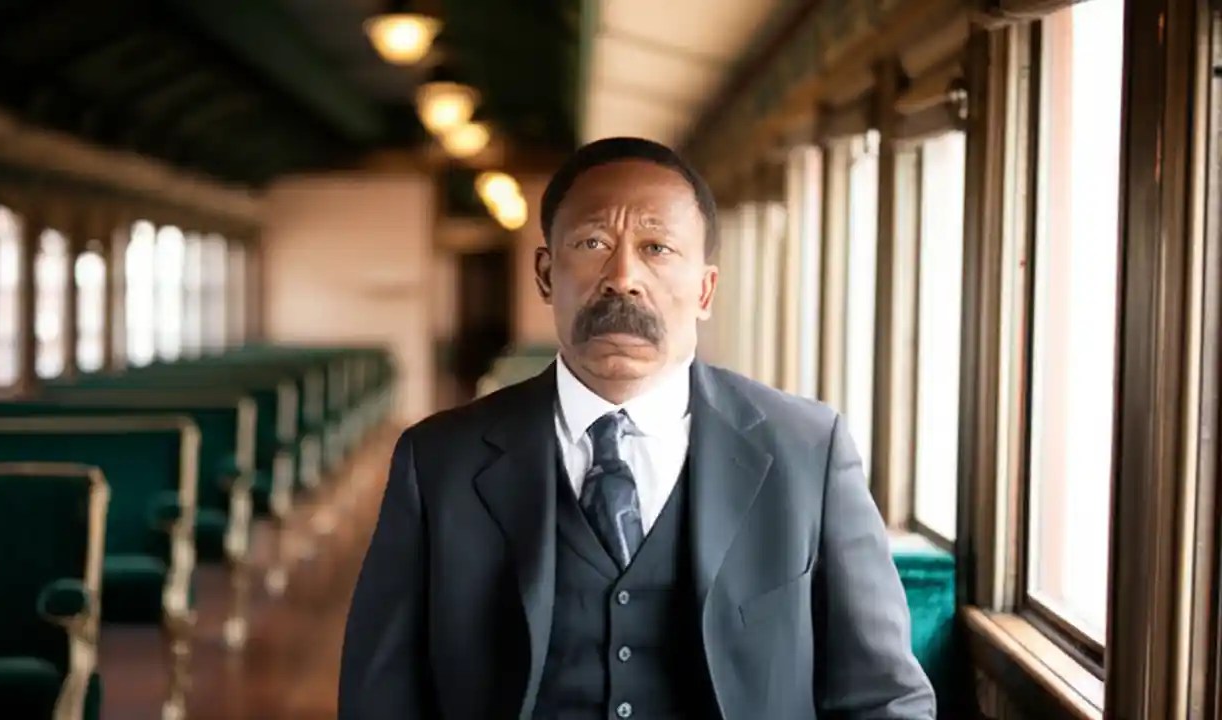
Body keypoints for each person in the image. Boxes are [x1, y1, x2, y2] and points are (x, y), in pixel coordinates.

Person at [338, 137, 936, 719]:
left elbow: (883, 695)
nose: (622, 275)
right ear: (546, 274)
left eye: (657, 248)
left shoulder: (808, 450)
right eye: (593, 241)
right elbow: (380, 696)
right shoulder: (439, 460)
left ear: (704, 289)